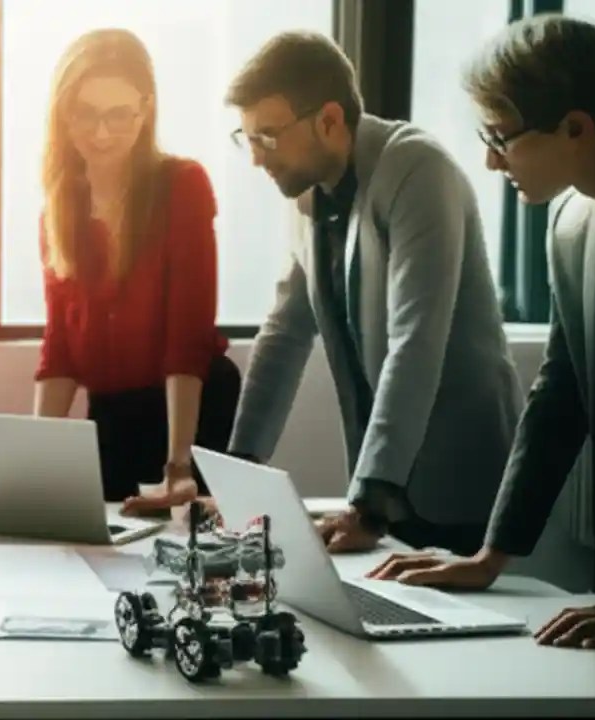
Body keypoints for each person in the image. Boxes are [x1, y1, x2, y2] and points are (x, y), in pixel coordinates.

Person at [370, 14, 595, 651]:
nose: (488, 159)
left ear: (576, 128)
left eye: (499, 137)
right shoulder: (572, 227)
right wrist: (489, 557)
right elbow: (560, 395)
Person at [222, 31, 522, 556]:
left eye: (267, 137)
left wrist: (370, 504)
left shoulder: (418, 170)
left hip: (456, 485)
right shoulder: (307, 191)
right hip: (380, 488)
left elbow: (415, 339)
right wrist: (236, 476)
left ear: (329, 120)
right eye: (246, 138)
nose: (255, 158)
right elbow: (284, 333)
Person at [32, 28, 239, 514]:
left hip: (185, 407)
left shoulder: (182, 185)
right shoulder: (60, 209)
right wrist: (34, 459)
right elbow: (59, 350)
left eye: (118, 114)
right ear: (64, 113)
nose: (101, 132)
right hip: (110, 411)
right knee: (101, 541)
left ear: (145, 111)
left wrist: (179, 465)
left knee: (172, 541)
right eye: (86, 113)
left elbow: (186, 336)